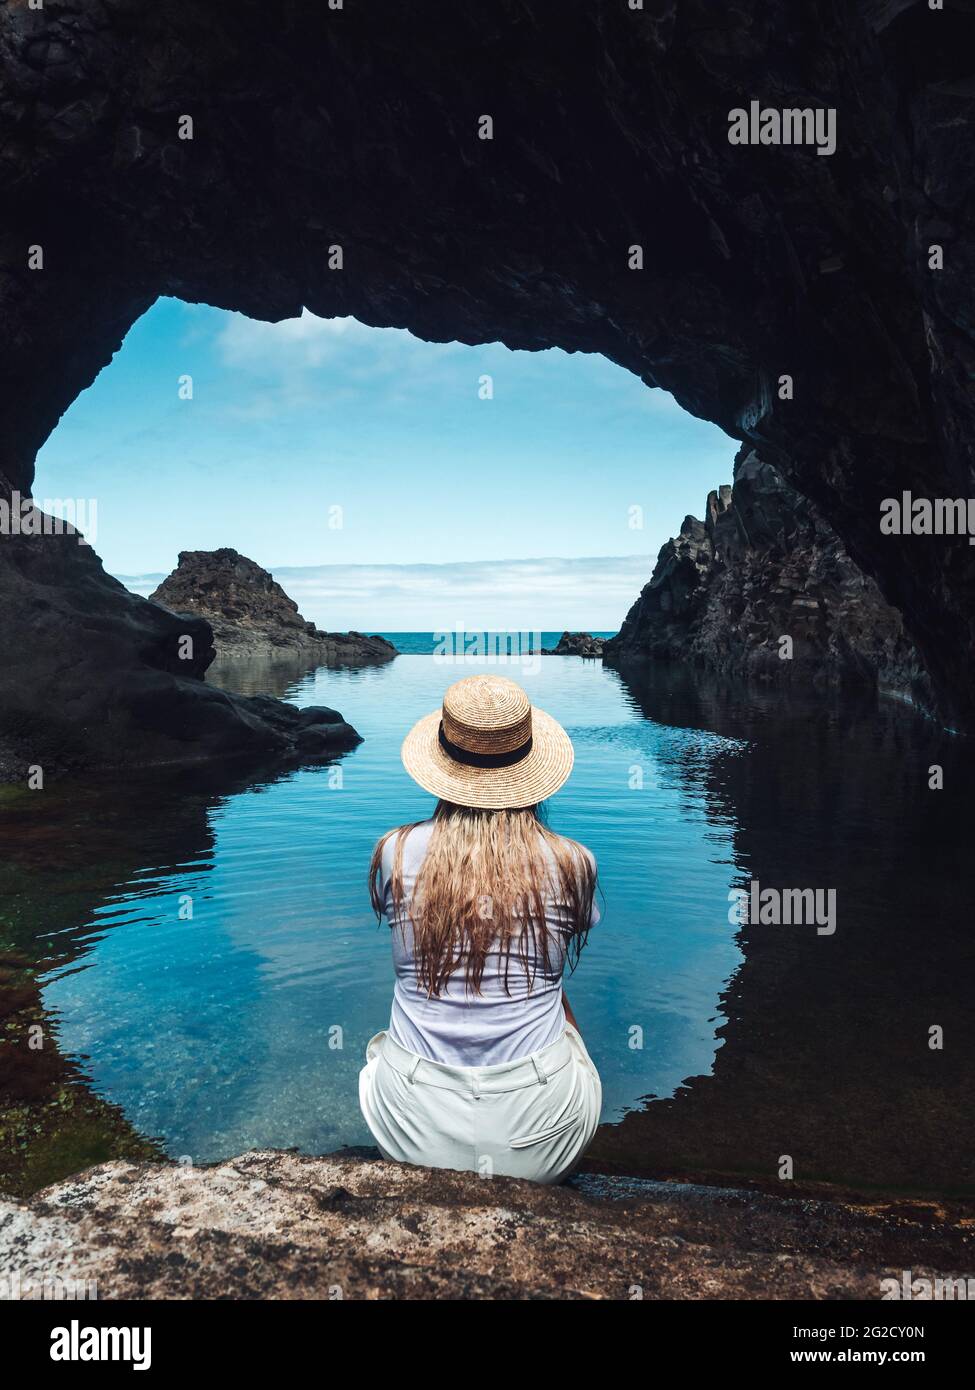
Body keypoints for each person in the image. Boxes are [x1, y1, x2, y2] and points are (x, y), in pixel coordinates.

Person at [359, 673, 602, 1184]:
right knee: (555, 999)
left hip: (411, 1128)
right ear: (531, 767)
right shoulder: (575, 862)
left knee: (388, 1033)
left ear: (440, 764)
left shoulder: (394, 852)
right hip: (541, 1134)